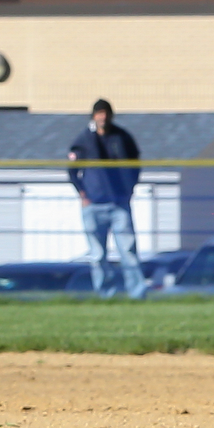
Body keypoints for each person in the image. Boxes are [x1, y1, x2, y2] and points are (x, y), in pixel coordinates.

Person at [66, 99, 144, 299]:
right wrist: (82, 193)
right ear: (93, 116)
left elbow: (136, 164)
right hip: (93, 205)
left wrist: (130, 188)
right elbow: (72, 170)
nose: (103, 117)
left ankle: (137, 293)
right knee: (98, 255)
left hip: (118, 203)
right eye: (99, 113)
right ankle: (105, 295)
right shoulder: (84, 139)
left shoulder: (122, 137)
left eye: (106, 113)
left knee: (128, 250)